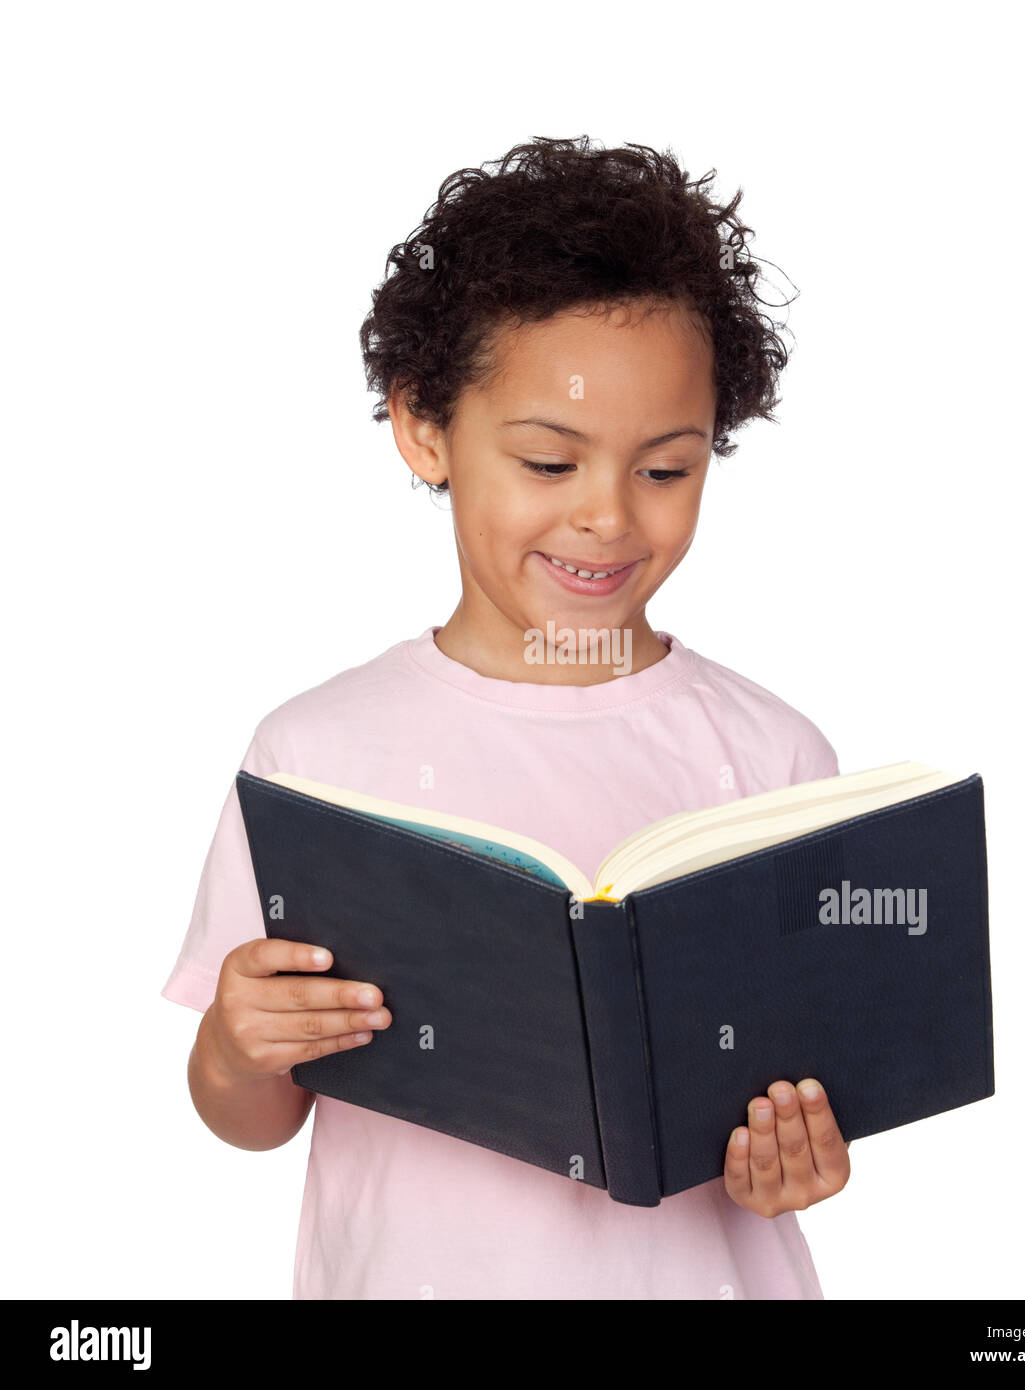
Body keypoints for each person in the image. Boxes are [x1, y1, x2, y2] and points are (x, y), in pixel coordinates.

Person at [162, 135, 851, 1300]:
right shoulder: (314, 756)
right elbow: (251, 1116)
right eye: (548, 460)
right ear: (425, 428)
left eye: (666, 471)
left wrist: (796, 1156)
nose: (607, 518)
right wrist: (235, 1047)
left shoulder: (776, 756)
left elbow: (805, 1104)